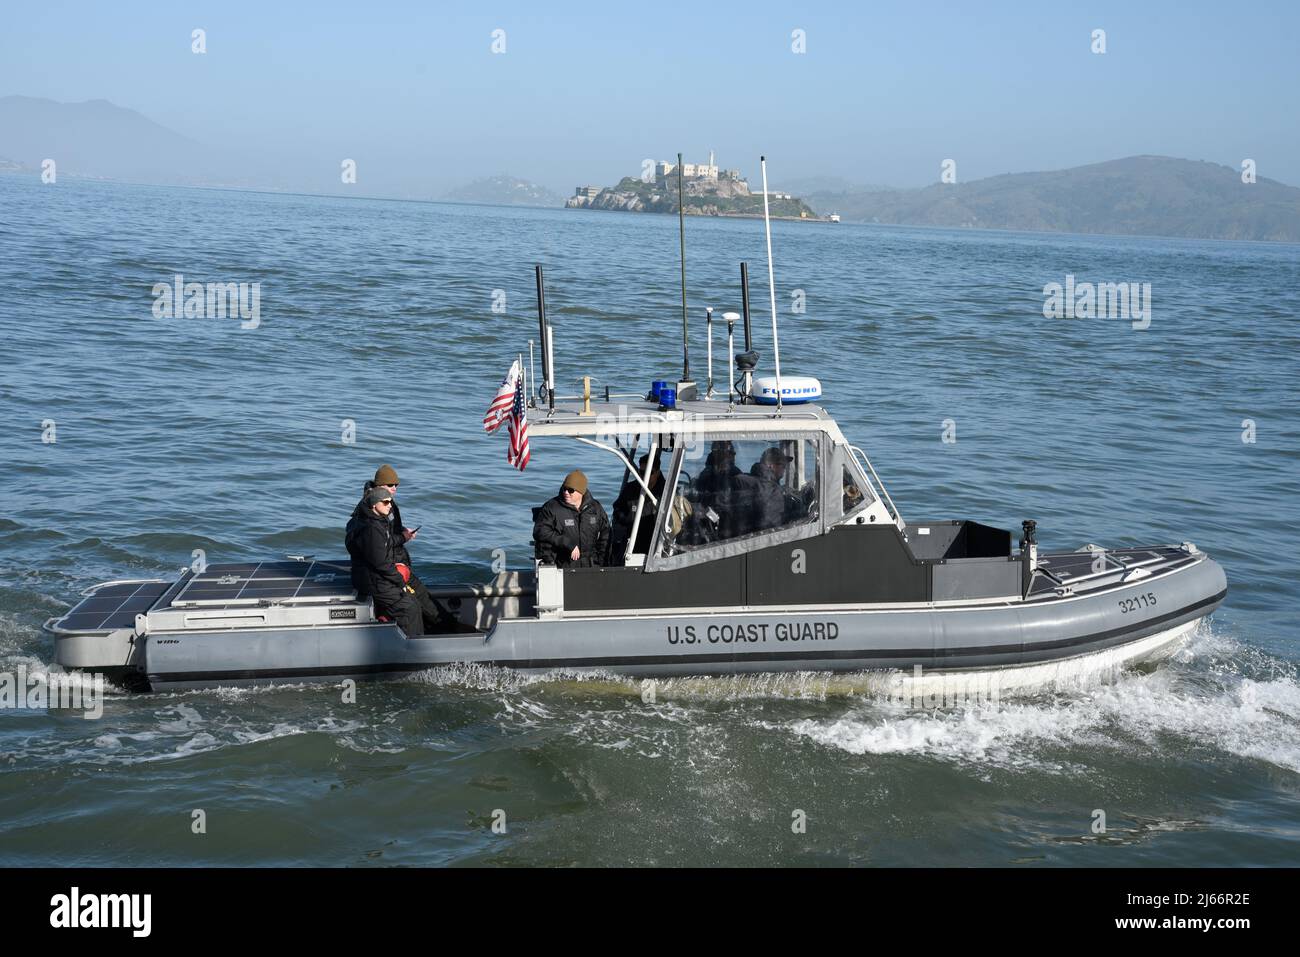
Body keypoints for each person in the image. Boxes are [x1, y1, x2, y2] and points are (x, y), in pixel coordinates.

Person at [351, 464, 457, 632]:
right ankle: (417, 644)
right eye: (389, 485)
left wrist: (401, 533)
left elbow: (385, 538)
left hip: (396, 565)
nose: (394, 489)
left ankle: (449, 629)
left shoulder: (385, 506)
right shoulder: (370, 518)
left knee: (422, 596)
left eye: (396, 485)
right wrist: (402, 539)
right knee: (410, 607)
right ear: (378, 488)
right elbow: (378, 551)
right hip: (387, 573)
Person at [345, 486, 423, 637]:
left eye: (391, 502)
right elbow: (381, 564)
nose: (390, 506)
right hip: (373, 581)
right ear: (374, 504)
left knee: (412, 602)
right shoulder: (372, 528)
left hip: (375, 577)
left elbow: (384, 544)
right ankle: (414, 646)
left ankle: (393, 630)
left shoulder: (377, 520)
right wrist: (400, 581)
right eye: (386, 502)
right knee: (409, 608)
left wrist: (403, 537)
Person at [533, 470, 611, 568]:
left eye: (570, 490)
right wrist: (566, 542)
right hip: (563, 564)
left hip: (591, 564)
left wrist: (602, 561)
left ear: (581, 491)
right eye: (564, 488)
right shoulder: (552, 507)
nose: (566, 492)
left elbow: (606, 534)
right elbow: (540, 531)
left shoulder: (595, 508)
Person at [609, 452, 665, 562]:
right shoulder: (630, 488)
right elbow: (617, 508)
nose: (644, 476)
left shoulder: (666, 492)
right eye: (642, 472)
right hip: (632, 540)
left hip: (655, 543)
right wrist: (626, 519)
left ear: (657, 473)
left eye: (650, 473)